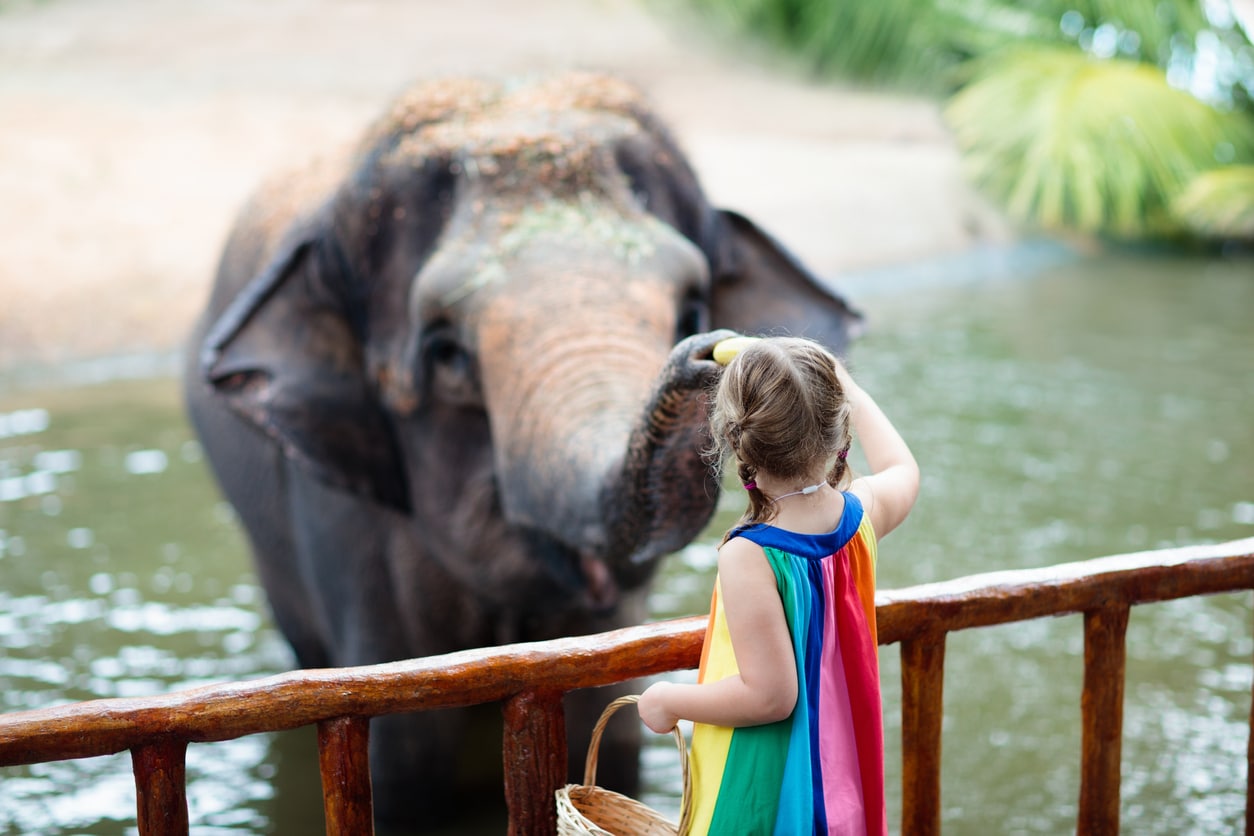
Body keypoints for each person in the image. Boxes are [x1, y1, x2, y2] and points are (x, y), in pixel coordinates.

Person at [637, 335, 919, 835]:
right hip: (840, 774)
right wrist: (843, 378)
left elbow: (770, 696)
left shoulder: (748, 553)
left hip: (766, 791)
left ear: (733, 439)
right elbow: (903, 468)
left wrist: (666, 700)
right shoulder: (860, 516)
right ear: (839, 429)